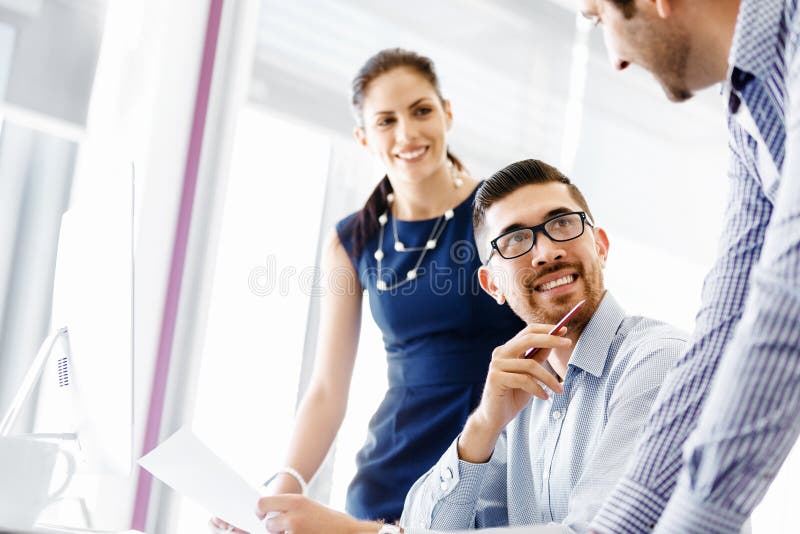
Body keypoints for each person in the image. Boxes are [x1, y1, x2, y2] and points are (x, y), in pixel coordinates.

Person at [252, 159, 687, 534]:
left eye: (561, 224)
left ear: (601, 246)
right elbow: (428, 526)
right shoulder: (520, 401)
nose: (546, 251)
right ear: (492, 285)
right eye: (515, 240)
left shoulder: (658, 361)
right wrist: (482, 425)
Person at [210, 48, 525, 533]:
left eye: (421, 111)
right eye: (385, 121)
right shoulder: (351, 240)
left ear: (447, 112)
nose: (407, 134)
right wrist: (286, 484)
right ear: (362, 137)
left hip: (495, 455)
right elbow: (327, 387)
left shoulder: (503, 211)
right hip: (391, 473)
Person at [578, 1, 800, 533]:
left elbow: (785, 306)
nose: (614, 60)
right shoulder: (751, 104)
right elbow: (726, 320)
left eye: (597, 17)